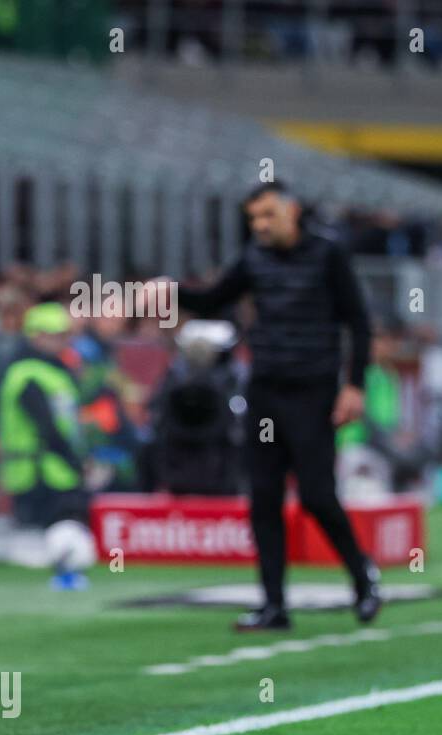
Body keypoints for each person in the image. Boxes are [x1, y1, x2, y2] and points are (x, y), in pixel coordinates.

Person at [154, 182, 381, 631]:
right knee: (263, 497)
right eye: (254, 218)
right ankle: (274, 605)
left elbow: (358, 321)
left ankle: (362, 576)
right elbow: (214, 300)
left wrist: (354, 385)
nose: (259, 225)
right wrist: (170, 291)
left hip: (313, 391)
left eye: (267, 215)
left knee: (317, 496)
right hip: (265, 390)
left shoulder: (327, 254)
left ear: (291, 211)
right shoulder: (254, 258)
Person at [0, 303, 88, 528]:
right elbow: (46, 426)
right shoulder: (26, 374)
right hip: (37, 474)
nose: (62, 341)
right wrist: (73, 461)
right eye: (55, 335)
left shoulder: (56, 371)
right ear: (36, 335)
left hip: (56, 471)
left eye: (64, 335)